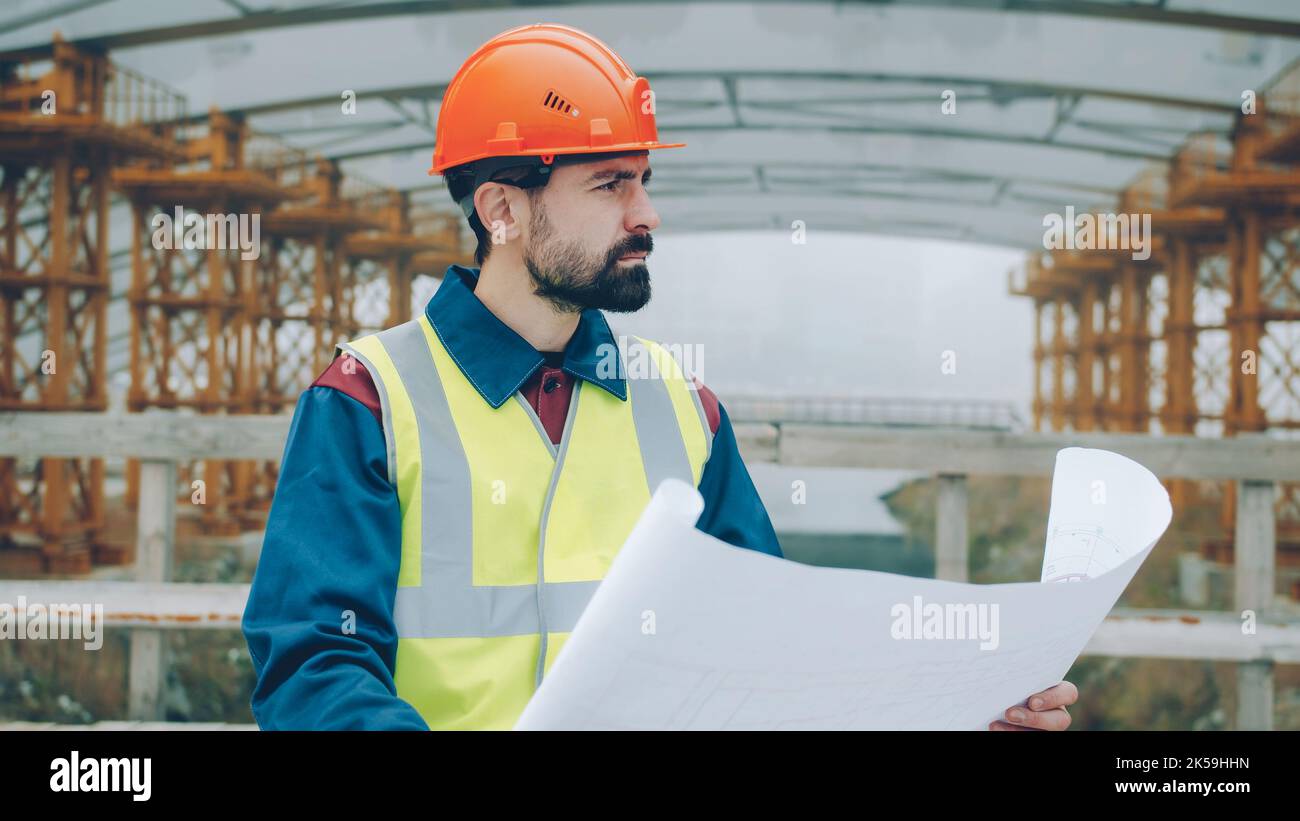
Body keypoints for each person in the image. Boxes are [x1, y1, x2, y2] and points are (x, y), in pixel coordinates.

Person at [241, 22, 1076, 731]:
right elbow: (313, 664)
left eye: (644, 181)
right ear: (501, 209)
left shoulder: (686, 412)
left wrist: (955, 709)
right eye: (610, 185)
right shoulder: (367, 399)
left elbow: (772, 657)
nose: (647, 215)